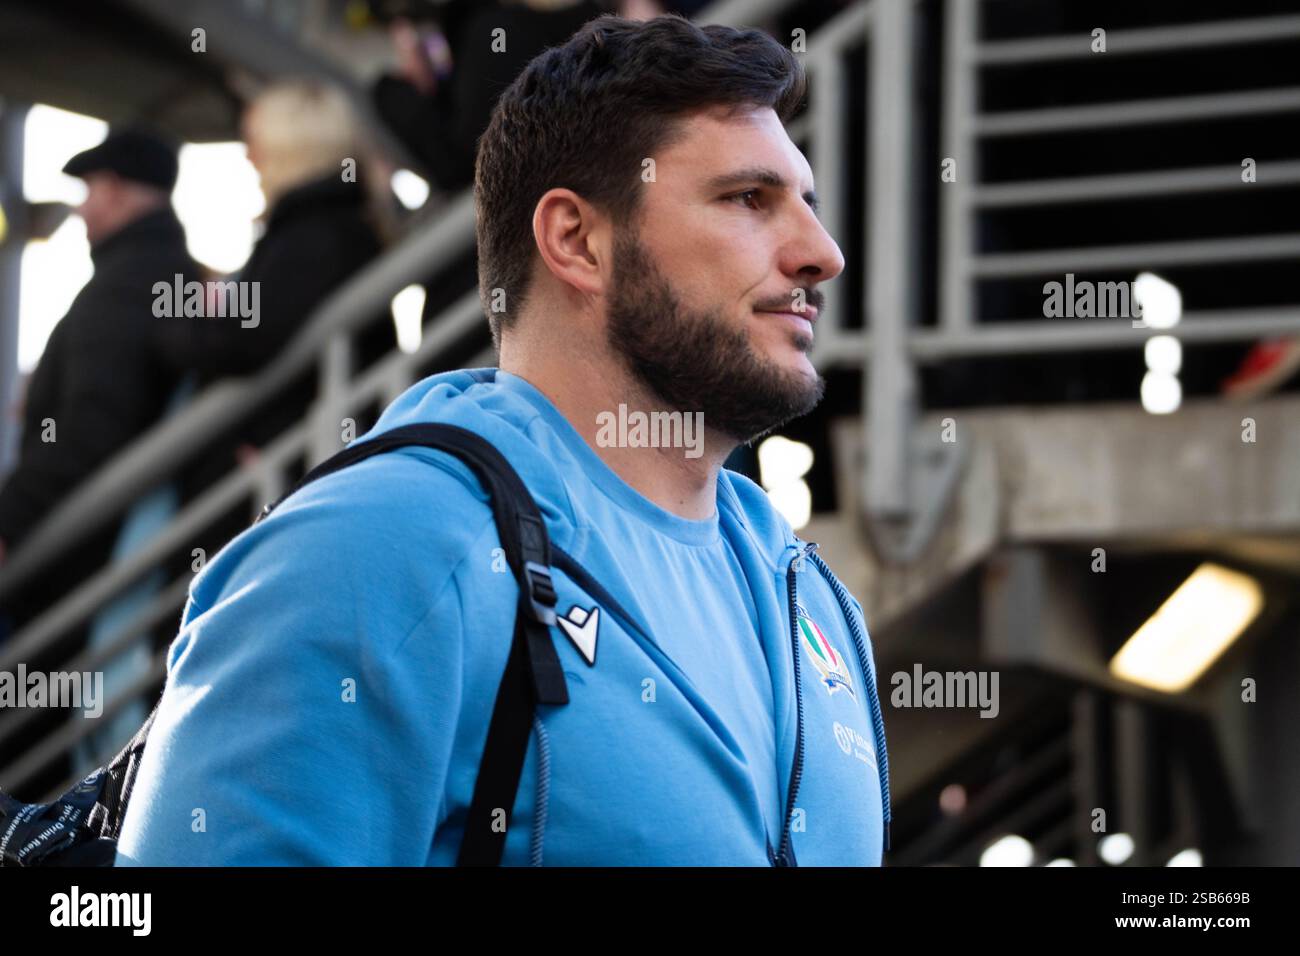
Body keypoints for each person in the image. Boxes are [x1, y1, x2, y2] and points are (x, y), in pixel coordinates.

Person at [115, 15, 890, 866]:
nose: (822, 253)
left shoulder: (809, 597)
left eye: (807, 205)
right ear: (575, 240)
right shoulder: (383, 551)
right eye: (749, 199)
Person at [0, 127, 198, 631]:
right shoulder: (172, 272)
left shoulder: (124, 284)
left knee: (38, 698)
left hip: (80, 567)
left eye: (87, 192)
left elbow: (92, 424)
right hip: (116, 549)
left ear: (112, 189)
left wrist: (9, 518)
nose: (80, 210)